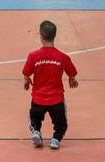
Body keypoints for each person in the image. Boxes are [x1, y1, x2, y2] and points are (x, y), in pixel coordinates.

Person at [22, 19, 79, 150]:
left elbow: (26, 73)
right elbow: (72, 72)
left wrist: (26, 80)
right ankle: (55, 139)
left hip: (38, 99)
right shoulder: (63, 57)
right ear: (55, 36)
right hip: (56, 100)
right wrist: (72, 79)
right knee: (61, 123)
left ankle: (36, 131)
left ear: (41, 36)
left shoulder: (33, 56)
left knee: (34, 118)